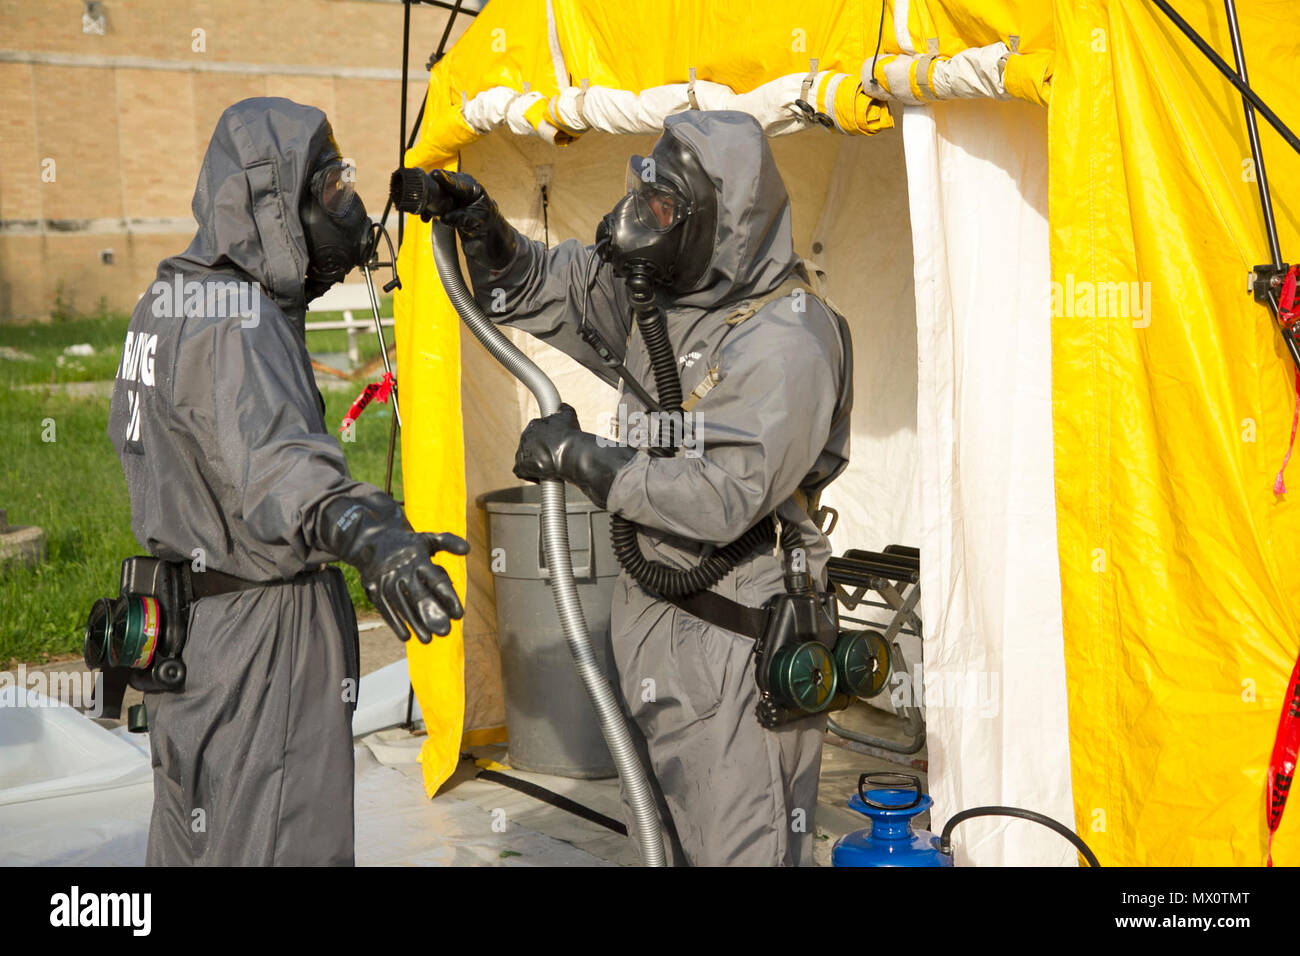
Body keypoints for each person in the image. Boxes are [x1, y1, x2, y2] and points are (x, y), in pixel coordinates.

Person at [421, 110, 851, 865]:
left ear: (723, 224)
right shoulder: (666, 295)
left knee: (736, 846)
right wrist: (486, 234)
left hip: (737, 638)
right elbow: (543, 290)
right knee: (661, 840)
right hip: (654, 617)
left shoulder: (789, 338)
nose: (637, 225)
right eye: (641, 198)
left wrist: (584, 461)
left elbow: (721, 495)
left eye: (662, 209)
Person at [108, 97, 468, 866]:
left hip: (189, 630)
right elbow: (276, 466)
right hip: (261, 636)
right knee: (279, 840)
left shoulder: (167, 300)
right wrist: (368, 533)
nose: (348, 203)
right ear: (274, 202)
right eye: (330, 184)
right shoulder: (235, 318)